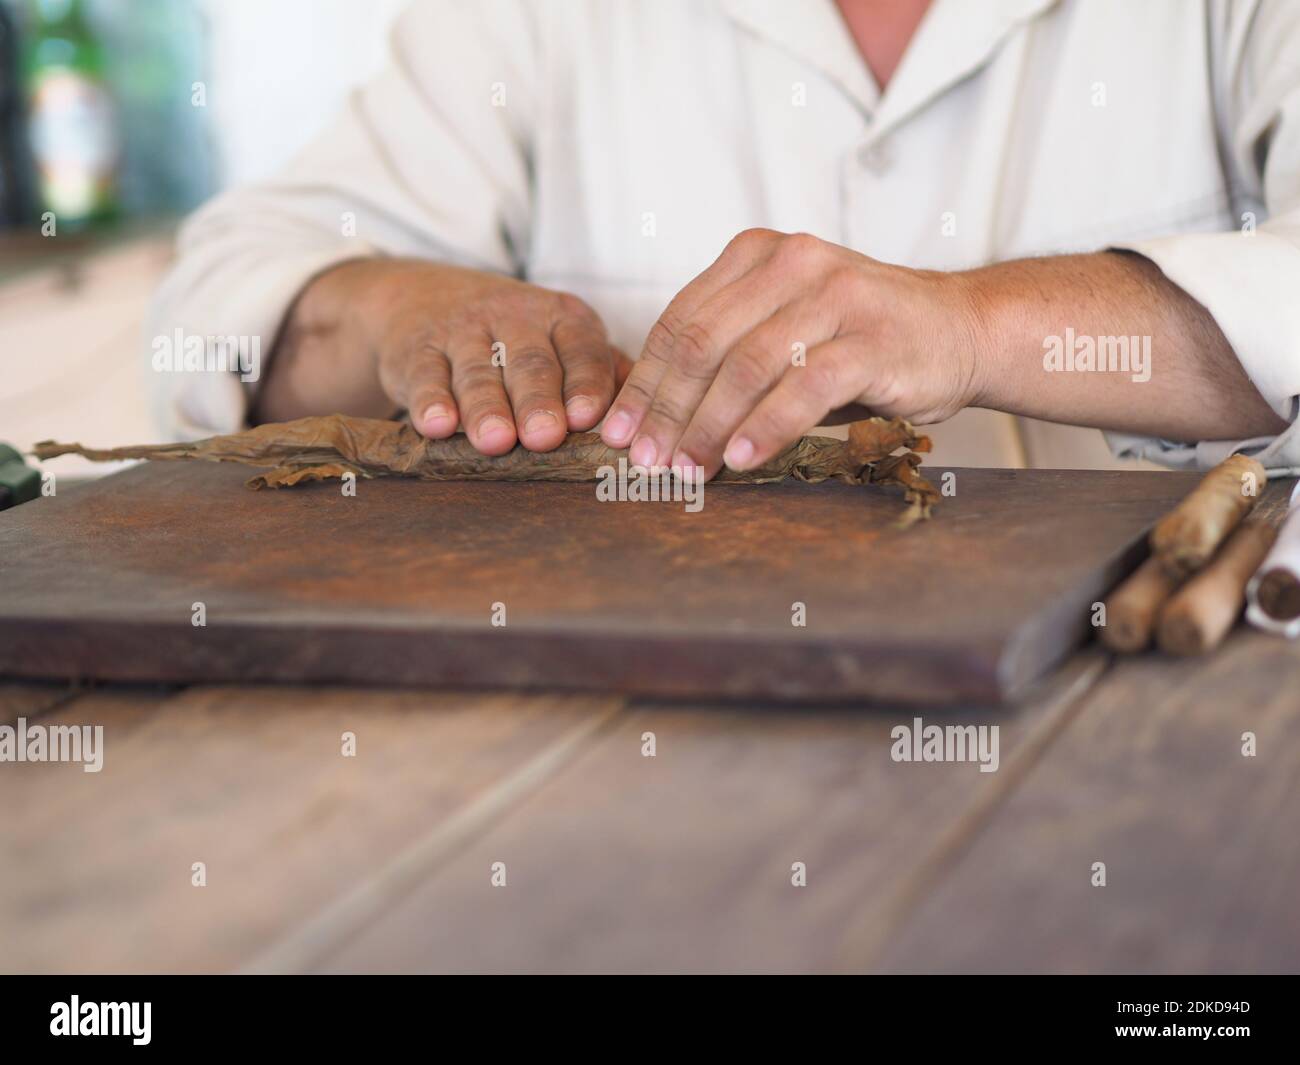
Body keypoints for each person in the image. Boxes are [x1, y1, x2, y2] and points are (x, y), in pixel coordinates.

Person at [150, 0, 1300, 474]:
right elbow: (220, 304)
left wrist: (969, 325)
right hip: (641, 753)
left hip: (1158, 733)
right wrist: (403, 314)